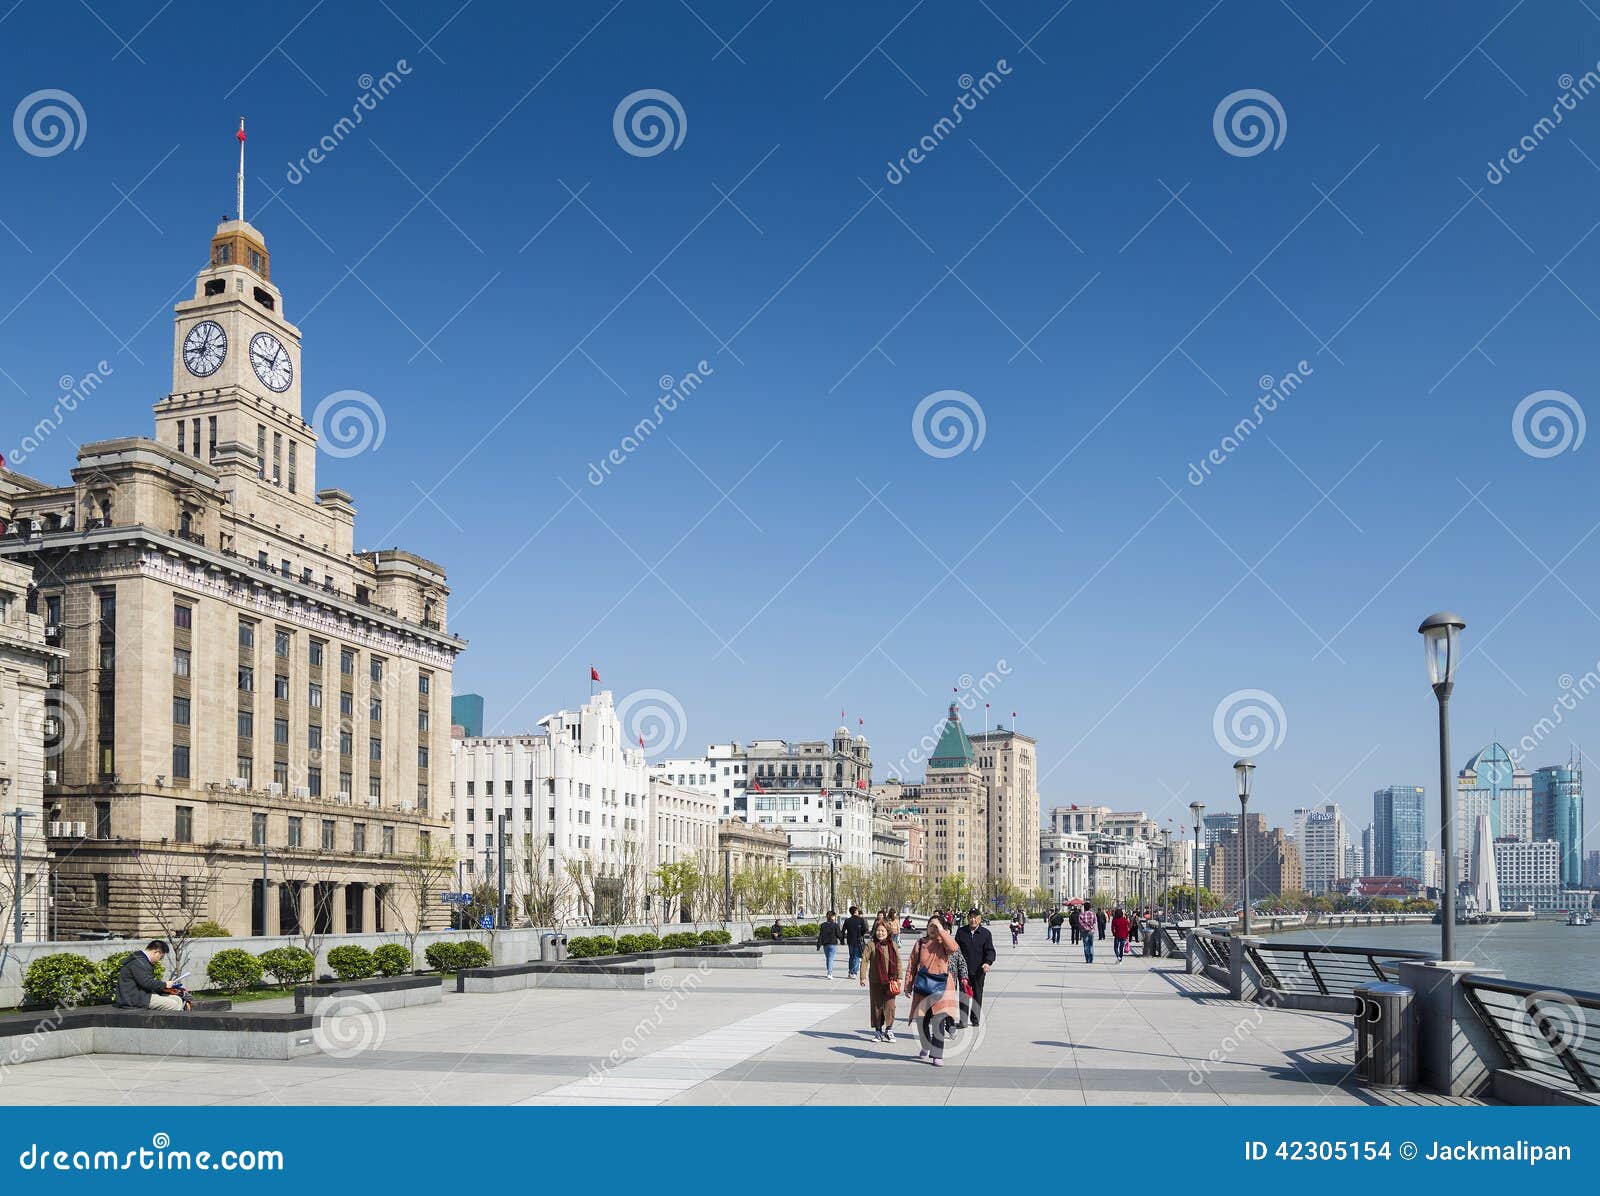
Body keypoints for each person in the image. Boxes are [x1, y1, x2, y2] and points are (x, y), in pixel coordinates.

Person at [905, 916, 962, 1066]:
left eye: (936, 926)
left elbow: (954, 948)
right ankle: (926, 1045)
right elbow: (912, 965)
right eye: (930, 925)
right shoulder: (920, 943)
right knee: (921, 1020)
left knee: (939, 1021)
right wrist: (908, 985)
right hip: (923, 987)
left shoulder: (944, 943)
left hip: (941, 987)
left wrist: (942, 931)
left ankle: (937, 1055)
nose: (932, 929)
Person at [114, 940, 191, 1011]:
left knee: (177, 999)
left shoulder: (141, 960)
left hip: (140, 995)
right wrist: (164, 984)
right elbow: (146, 983)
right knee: (173, 1004)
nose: (160, 960)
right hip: (133, 999)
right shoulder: (139, 963)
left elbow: (145, 982)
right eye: (161, 957)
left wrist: (166, 987)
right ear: (157, 952)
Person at [859, 920, 902, 1042]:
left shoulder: (893, 944)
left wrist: (899, 977)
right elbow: (864, 960)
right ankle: (878, 1031)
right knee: (877, 1005)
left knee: (890, 1005)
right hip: (876, 980)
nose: (880, 933)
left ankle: (889, 1029)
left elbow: (898, 961)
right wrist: (862, 977)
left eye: (883, 931)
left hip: (891, 981)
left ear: (888, 932)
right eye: (878, 930)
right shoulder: (871, 945)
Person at [954, 906, 995, 1028]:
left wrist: (987, 962)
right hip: (964, 971)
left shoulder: (985, 933)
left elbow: (990, 951)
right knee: (964, 995)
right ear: (968, 918)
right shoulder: (961, 932)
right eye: (971, 917)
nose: (973, 920)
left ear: (980, 919)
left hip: (979, 970)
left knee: (977, 995)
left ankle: (975, 1019)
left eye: (975, 917)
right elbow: (956, 950)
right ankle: (963, 1020)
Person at [842, 905, 870, 979]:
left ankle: (850, 972)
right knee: (857, 957)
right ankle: (854, 972)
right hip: (858, 940)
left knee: (851, 956)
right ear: (855, 911)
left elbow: (843, 931)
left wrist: (842, 940)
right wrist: (861, 934)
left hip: (850, 940)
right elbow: (865, 929)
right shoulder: (861, 920)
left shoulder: (847, 920)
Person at [817, 912, 842, 979]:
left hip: (825, 944)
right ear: (833, 917)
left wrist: (819, 945)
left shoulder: (823, 925)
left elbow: (820, 935)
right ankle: (829, 973)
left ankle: (829, 971)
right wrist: (841, 941)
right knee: (830, 958)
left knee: (828, 958)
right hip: (832, 944)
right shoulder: (835, 925)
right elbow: (839, 934)